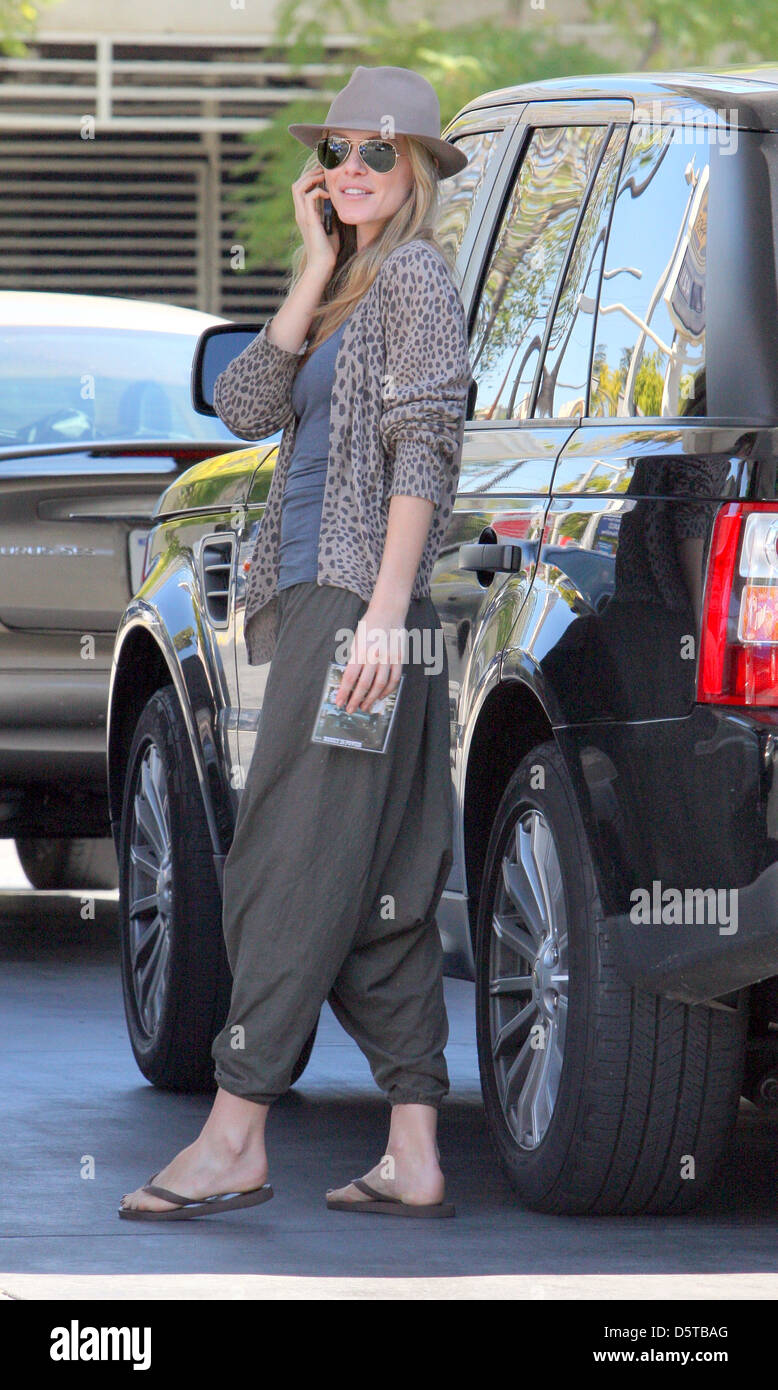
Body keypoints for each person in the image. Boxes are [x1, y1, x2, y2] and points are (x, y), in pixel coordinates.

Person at [118, 64, 473, 1222]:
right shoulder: (352, 281)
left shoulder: (416, 276)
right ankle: (412, 1148)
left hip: (355, 614)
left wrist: (379, 612)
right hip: (341, 611)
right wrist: (315, 262)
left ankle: (236, 1135)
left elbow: (424, 447)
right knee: (379, 884)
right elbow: (247, 407)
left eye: (379, 154)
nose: (354, 170)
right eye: (339, 153)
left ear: (414, 170)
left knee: (278, 863)